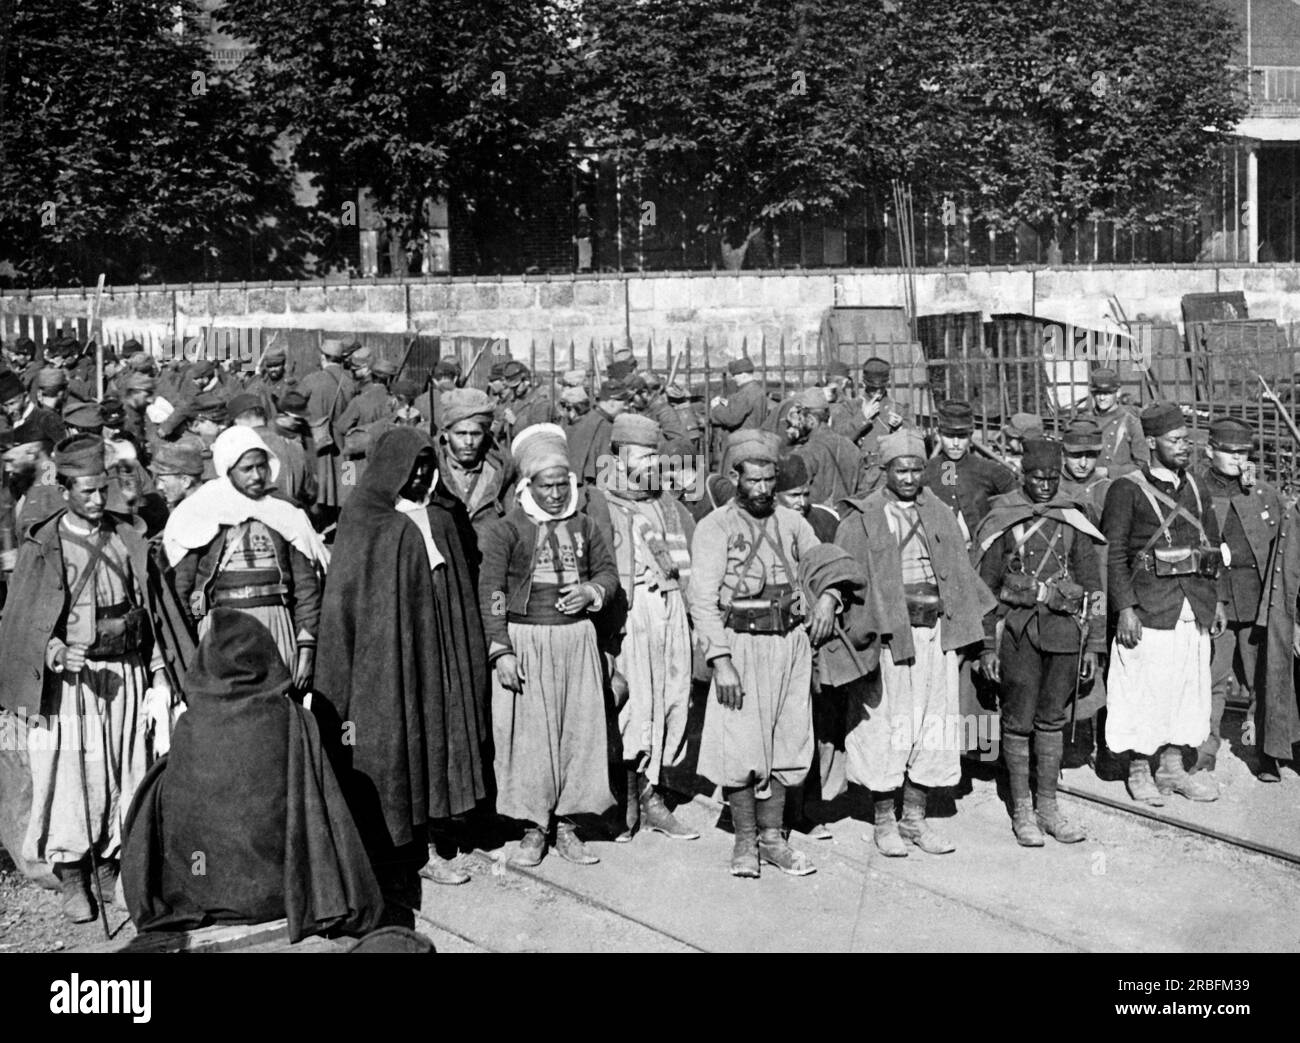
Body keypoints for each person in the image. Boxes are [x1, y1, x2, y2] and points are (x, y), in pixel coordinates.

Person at [0, 435, 180, 922]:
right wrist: (56, 652)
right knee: (71, 778)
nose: (98, 500)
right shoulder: (44, 543)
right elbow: (22, 621)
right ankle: (74, 876)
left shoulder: (127, 535)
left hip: (127, 673)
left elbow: (154, 609)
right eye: (86, 492)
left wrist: (160, 671)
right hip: (72, 688)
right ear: (64, 489)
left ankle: (112, 867)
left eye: (103, 489)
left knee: (126, 770)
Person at [121, 609, 382, 942]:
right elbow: (326, 811)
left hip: (205, 893)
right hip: (280, 894)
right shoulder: (294, 720)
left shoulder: (189, 726)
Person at [317, 426, 490, 888]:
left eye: (427, 467)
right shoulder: (366, 519)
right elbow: (346, 600)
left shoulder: (442, 518)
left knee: (438, 731)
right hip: (384, 659)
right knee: (396, 741)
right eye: (411, 468)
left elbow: (462, 587)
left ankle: (437, 837)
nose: (419, 477)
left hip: (438, 646)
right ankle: (402, 847)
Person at [836, 430, 997, 857]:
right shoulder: (864, 516)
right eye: (899, 470)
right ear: (886, 471)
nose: (908, 478)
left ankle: (914, 818)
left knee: (931, 723)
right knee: (886, 723)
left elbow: (959, 572)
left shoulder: (938, 512)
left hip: (934, 635)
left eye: (914, 470)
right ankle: (884, 819)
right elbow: (847, 579)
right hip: (890, 637)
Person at [689, 429, 836, 878]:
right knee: (741, 745)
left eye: (770, 480)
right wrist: (720, 661)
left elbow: (823, 564)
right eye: (753, 480)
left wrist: (829, 597)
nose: (764, 490)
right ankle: (745, 841)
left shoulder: (793, 523)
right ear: (735, 477)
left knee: (789, 740)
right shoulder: (715, 527)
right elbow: (702, 599)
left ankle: (773, 839)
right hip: (740, 646)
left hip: (790, 643)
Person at [477, 424, 619, 867]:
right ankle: (533, 828)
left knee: (579, 732)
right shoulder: (506, 531)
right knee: (529, 738)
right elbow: (494, 591)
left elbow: (609, 574)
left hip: (576, 640)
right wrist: (500, 647)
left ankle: (570, 825)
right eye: (547, 485)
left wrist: (592, 592)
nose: (556, 494)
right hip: (527, 640)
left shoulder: (587, 526)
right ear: (527, 485)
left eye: (563, 485)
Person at [973, 439, 1106, 846]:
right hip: (1017, 636)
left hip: (1066, 637)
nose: (1045, 485)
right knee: (1017, 721)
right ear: (1022, 475)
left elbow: (1093, 588)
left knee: (1052, 720)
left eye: (1052, 478)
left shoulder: (1074, 519)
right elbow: (985, 588)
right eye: (1036, 477)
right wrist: (986, 647)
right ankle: (1022, 811)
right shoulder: (1004, 517)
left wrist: (1096, 647)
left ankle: (1047, 807)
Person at [1102, 401, 1226, 805]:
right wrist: (1124, 609)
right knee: (1143, 689)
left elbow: (1210, 545)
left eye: (1186, 440)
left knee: (1186, 688)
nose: (1184, 447)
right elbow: (1115, 553)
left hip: (1192, 605)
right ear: (1152, 442)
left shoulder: (1195, 485)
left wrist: (1217, 600)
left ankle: (1172, 768)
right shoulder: (1126, 489)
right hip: (1148, 608)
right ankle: (1139, 768)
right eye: (1175, 441)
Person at [591, 413, 698, 843]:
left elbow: (688, 560)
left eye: (654, 454)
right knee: (634, 705)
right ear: (618, 454)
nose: (649, 462)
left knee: (672, 700)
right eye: (639, 453)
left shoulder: (668, 504)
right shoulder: (601, 502)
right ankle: (628, 798)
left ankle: (655, 797)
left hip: (670, 609)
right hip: (630, 617)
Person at [162, 426, 328, 684]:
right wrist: (199, 632)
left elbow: (306, 587)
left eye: (262, 466)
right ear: (228, 470)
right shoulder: (200, 512)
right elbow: (186, 588)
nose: (258, 476)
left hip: (275, 626)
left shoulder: (284, 513)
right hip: (221, 628)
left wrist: (306, 647)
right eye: (247, 469)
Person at [1194, 416, 1280, 784]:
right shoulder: (1195, 491)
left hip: (1255, 601)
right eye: (1229, 452)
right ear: (1210, 450)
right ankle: (1204, 749)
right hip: (1215, 600)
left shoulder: (1263, 494)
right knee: (1211, 679)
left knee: (1260, 681)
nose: (1237, 459)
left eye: (1244, 452)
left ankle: (1259, 751)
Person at [922, 399, 1018, 541]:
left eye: (961, 436)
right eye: (949, 436)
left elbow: (1016, 506)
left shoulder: (990, 470)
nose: (955, 444)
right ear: (938, 434)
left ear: (970, 435)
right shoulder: (926, 472)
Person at [436, 388, 517, 533]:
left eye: (475, 434)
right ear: (446, 434)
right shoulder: (433, 471)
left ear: (485, 434)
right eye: (460, 434)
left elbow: (512, 521)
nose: (469, 442)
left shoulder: (500, 469)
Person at [227, 393, 316, 511]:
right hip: (291, 518)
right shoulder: (295, 446)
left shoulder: (235, 450)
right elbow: (311, 492)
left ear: (236, 422)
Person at [300, 339, 355, 527]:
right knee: (346, 483)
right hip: (345, 446)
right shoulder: (350, 382)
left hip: (318, 443)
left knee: (320, 485)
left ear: (323, 357)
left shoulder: (311, 380)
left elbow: (294, 404)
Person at [784, 387, 863, 506]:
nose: (797, 424)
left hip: (815, 520)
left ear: (810, 420)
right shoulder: (851, 447)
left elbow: (791, 498)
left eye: (800, 419)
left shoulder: (805, 453)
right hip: (846, 519)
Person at [1073, 367, 1148, 478]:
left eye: (1107, 393)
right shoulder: (1085, 421)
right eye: (1098, 393)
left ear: (1118, 393)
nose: (1101, 398)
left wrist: (1110, 471)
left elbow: (1142, 463)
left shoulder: (1130, 422)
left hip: (1120, 485)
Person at [567, 380, 630, 485]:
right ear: (612, 403)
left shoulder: (589, 418)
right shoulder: (605, 427)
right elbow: (605, 472)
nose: (626, 407)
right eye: (624, 403)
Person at [775, 453, 839, 543]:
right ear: (775, 495)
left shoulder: (826, 519)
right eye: (794, 495)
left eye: (805, 495)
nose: (802, 503)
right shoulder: (764, 523)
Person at [709, 358, 767, 443]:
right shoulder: (758, 390)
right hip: (754, 439)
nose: (733, 378)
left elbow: (731, 419)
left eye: (734, 375)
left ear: (743, 375)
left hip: (742, 442)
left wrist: (716, 407)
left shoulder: (745, 393)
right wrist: (728, 403)